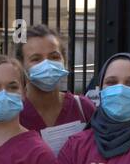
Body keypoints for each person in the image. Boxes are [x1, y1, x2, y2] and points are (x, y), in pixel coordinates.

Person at [15, 19, 96, 155]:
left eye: (54, 56)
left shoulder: (83, 108)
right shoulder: (14, 113)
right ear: (21, 65)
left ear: (64, 60)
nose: (47, 64)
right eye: (36, 59)